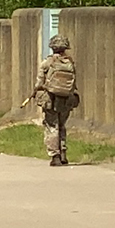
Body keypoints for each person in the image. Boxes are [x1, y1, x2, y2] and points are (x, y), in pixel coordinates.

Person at [34, 32, 78, 166]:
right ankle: (63, 152)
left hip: (50, 99)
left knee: (52, 126)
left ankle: (55, 156)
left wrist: (37, 91)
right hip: (66, 99)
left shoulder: (46, 63)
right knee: (62, 125)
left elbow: (39, 83)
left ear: (52, 47)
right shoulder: (70, 63)